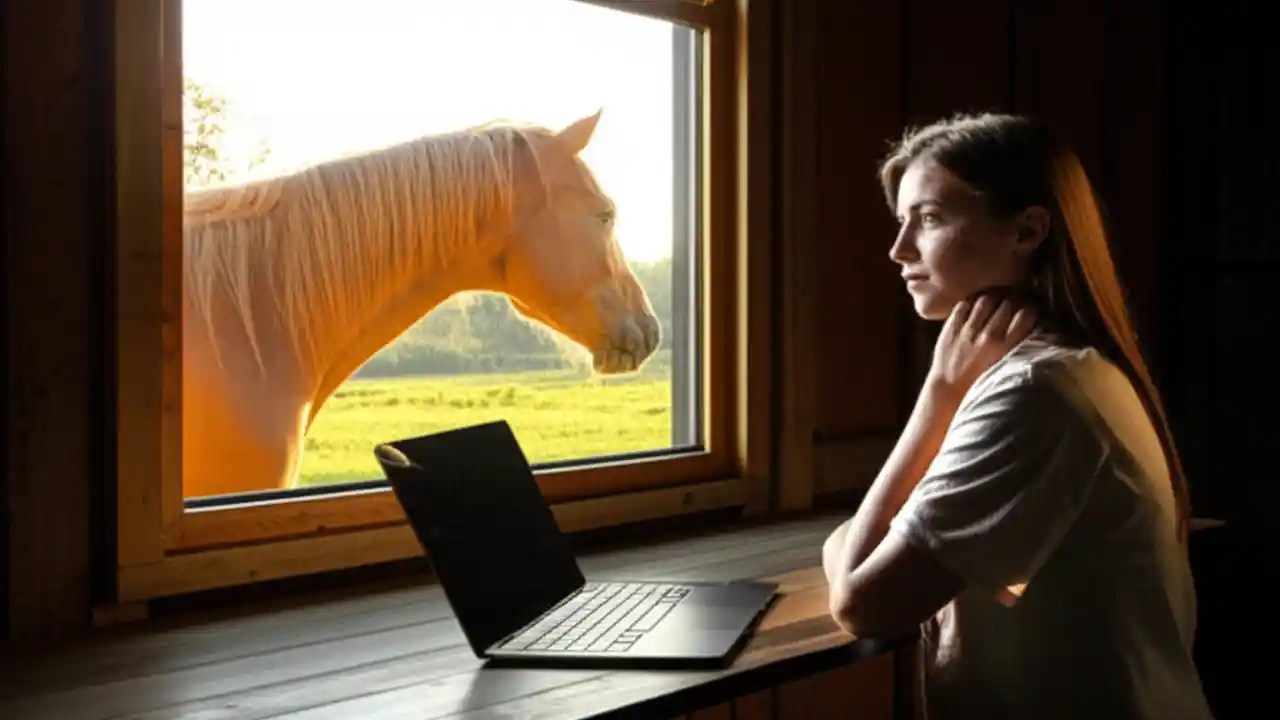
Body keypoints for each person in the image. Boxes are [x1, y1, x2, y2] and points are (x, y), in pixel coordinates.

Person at [821, 112, 1214, 719]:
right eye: (902, 222)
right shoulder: (1062, 370)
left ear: (1027, 230)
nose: (899, 250)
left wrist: (938, 397)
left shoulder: (1037, 388)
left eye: (928, 218)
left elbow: (862, 604)